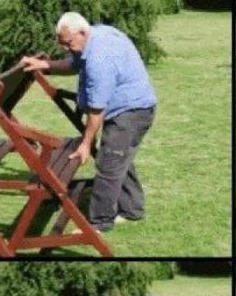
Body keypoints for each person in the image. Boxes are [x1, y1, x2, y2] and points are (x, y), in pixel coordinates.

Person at [21, 12, 157, 233]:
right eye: (62, 43)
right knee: (120, 157)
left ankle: (100, 222)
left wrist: (85, 144)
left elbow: (97, 109)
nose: (66, 48)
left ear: (82, 33)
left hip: (131, 112)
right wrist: (44, 64)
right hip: (137, 107)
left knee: (108, 162)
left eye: (68, 43)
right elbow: (74, 64)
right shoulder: (95, 37)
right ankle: (132, 209)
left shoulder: (99, 57)